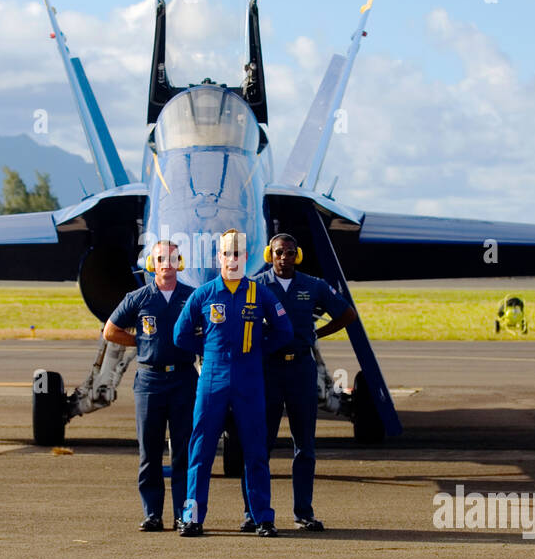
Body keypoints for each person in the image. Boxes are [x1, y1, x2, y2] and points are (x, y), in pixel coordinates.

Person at [173, 228, 293, 537]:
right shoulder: (203, 294)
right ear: (219, 257)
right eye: (227, 254)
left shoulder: (259, 293)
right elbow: (180, 335)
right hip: (212, 377)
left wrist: (257, 352)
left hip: (250, 377)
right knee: (200, 449)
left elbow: (285, 331)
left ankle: (262, 518)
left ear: (246, 257)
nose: (232, 259)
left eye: (238, 254)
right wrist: (209, 351)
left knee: (255, 449)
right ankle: (193, 517)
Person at [245, 232, 357, 532]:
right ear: (270, 254)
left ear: (298, 255)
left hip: (301, 371)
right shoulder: (255, 286)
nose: (285, 257)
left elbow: (347, 314)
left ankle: (303, 512)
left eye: (290, 252)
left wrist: (315, 335)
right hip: (267, 371)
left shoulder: (313, 285)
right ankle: (253, 512)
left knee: (304, 445)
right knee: (260, 444)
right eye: (280, 252)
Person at [104, 240, 197, 532]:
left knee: (183, 451)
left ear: (179, 262)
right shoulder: (139, 297)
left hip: (183, 379)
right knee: (150, 451)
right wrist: (141, 343)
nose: (166, 263)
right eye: (160, 259)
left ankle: (184, 514)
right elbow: (110, 331)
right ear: (151, 264)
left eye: (171, 258)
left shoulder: (192, 297)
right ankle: (152, 513)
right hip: (149, 381)